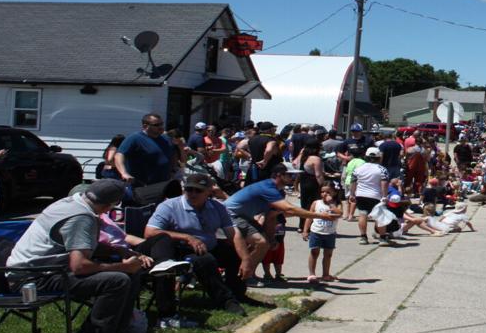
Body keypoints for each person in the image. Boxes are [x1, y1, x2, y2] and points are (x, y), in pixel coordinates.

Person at [6, 181, 152, 333]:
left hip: (45, 270)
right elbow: (80, 266)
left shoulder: (71, 202)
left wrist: (119, 251)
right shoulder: (81, 217)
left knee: (130, 274)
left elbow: (80, 245)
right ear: (109, 206)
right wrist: (125, 266)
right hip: (33, 278)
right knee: (117, 280)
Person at [144, 173, 247, 316]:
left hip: (209, 245)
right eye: (189, 189)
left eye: (198, 190)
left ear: (209, 192)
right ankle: (226, 301)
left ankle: (238, 294)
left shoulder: (218, 207)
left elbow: (233, 233)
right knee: (205, 260)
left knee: (234, 254)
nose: (192, 193)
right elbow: (150, 232)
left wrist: (246, 259)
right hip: (180, 249)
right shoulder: (169, 206)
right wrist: (187, 237)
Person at [221, 165, 340, 282]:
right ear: (279, 175)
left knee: (264, 244)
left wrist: (271, 238)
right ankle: (244, 275)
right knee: (261, 242)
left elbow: (271, 216)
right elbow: (290, 209)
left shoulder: (278, 191)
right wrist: (321, 215)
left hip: (243, 216)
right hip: (230, 214)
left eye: (294, 175)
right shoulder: (268, 188)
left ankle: (243, 274)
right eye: (290, 175)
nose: (294, 178)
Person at [113, 113, 180, 201]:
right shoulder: (135, 138)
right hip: (142, 188)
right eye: (156, 125)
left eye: (161, 124)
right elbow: (119, 155)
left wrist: (174, 169)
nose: (161, 127)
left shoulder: (165, 139)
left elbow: (172, 153)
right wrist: (124, 173)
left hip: (163, 186)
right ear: (145, 126)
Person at [349, 146, 390, 243]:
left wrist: (352, 194)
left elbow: (353, 182)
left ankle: (363, 237)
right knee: (379, 217)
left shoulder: (358, 169)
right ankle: (382, 238)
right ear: (379, 157)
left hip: (361, 195)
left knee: (362, 215)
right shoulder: (382, 169)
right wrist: (385, 196)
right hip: (376, 196)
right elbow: (384, 184)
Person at [306, 183, 340, 285]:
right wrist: (305, 230)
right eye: (322, 192)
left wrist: (331, 203)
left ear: (334, 193)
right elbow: (309, 217)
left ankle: (326, 274)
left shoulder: (337, 204)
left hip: (330, 233)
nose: (324, 194)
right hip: (316, 232)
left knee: (328, 254)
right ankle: (312, 274)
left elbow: (339, 213)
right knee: (314, 252)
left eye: (328, 192)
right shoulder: (316, 203)